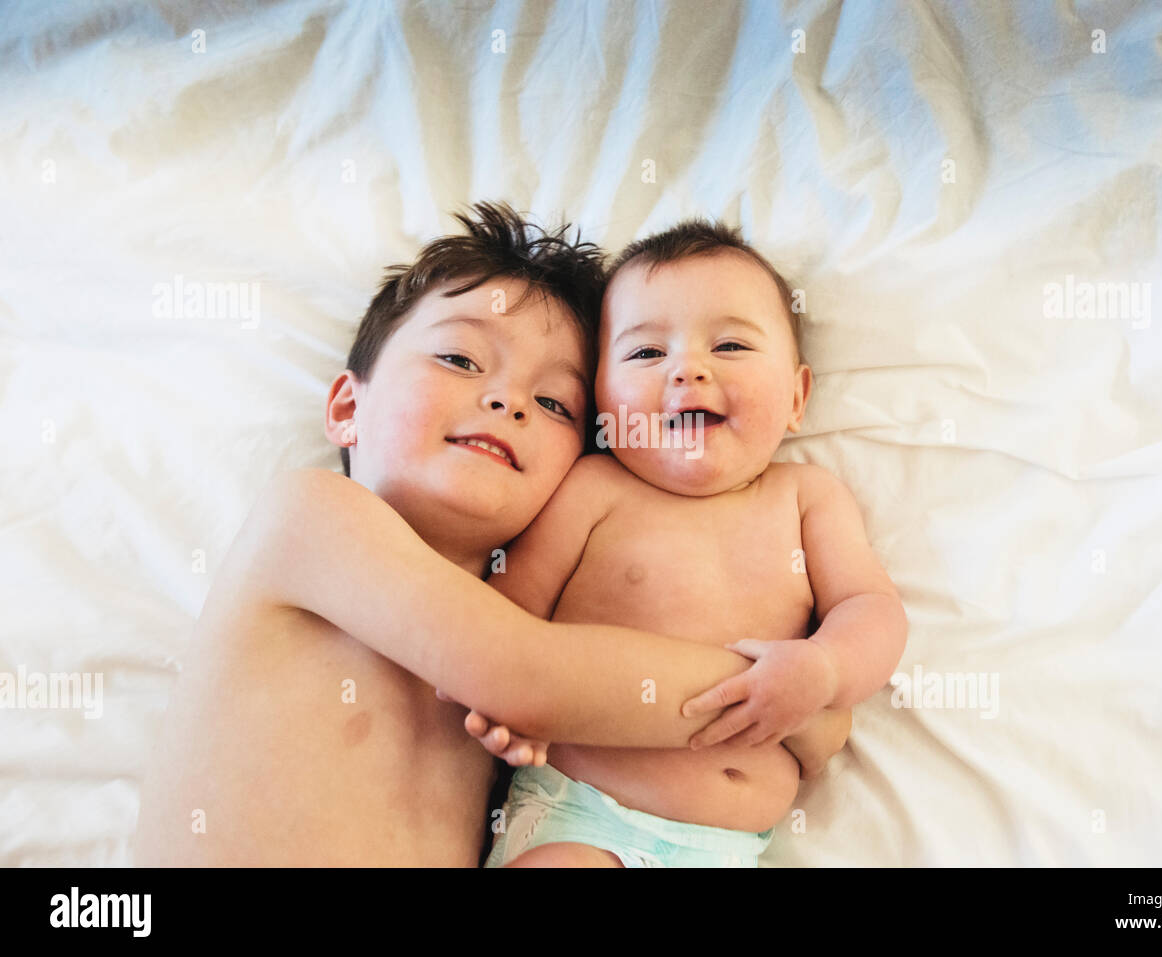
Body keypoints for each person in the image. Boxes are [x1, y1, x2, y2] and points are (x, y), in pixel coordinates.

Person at [132, 204, 830, 867]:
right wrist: (800, 695)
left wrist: (811, 703)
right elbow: (530, 677)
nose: (507, 401)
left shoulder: (520, 660)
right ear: (349, 405)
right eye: (460, 360)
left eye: (555, 402)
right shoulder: (311, 517)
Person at [474, 221, 908, 867]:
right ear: (599, 402)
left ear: (796, 395)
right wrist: (503, 701)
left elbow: (871, 606)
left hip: (729, 847)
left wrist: (826, 669)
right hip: (584, 817)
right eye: (646, 354)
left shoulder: (806, 498)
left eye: (730, 344)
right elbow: (506, 615)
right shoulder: (594, 489)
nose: (687, 368)